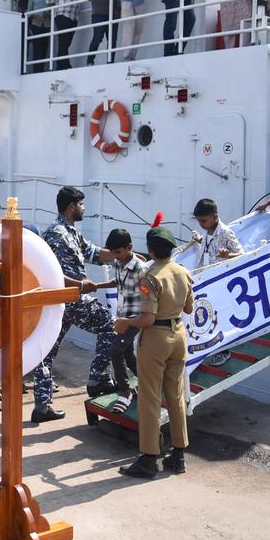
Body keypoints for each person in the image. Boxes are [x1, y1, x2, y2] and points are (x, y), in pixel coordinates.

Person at [31, 186, 119, 422]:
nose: (83, 209)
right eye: (81, 205)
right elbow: (51, 273)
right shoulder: (58, 233)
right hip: (69, 298)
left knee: (47, 351)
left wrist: (121, 255)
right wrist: (80, 285)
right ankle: (98, 377)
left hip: (68, 300)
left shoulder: (70, 232)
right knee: (110, 326)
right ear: (71, 206)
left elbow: (94, 253)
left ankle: (42, 406)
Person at [115, 226, 194, 479]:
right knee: (176, 395)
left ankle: (149, 459)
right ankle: (179, 455)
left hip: (156, 339)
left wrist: (126, 321)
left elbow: (148, 319)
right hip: (179, 335)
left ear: (150, 250)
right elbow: (189, 308)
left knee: (150, 398)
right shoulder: (183, 272)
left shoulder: (150, 277)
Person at [103, 227, 149, 415]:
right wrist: (97, 285)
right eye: (113, 253)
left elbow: (148, 291)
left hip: (134, 318)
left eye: (119, 252)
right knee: (128, 354)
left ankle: (125, 390)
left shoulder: (141, 269)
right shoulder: (118, 263)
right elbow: (118, 282)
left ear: (129, 247)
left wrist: (146, 311)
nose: (116, 256)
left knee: (116, 349)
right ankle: (147, 381)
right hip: (122, 316)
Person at [191, 198, 244, 268]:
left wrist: (227, 255)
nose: (201, 224)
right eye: (199, 221)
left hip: (219, 275)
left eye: (203, 221)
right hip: (204, 274)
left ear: (215, 217)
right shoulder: (207, 229)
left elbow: (242, 255)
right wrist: (200, 240)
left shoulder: (225, 233)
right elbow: (210, 244)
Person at [25, 0, 51, 73]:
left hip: (46, 25)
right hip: (36, 25)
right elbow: (28, 12)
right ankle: (37, 70)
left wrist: (46, 13)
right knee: (37, 48)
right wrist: (36, 16)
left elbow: (51, 10)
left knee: (45, 47)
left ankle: (42, 69)